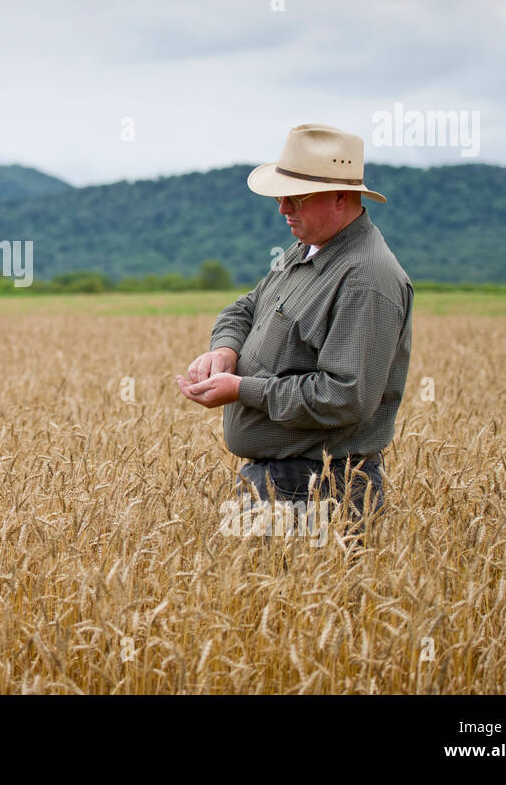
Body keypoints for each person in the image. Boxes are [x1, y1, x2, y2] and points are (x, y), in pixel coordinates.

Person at [175, 123, 413, 545]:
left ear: (341, 197)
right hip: (278, 480)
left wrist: (243, 389)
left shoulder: (366, 280)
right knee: (252, 606)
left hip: (321, 489)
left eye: (296, 197)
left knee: (300, 608)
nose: (282, 207)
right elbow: (246, 307)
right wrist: (226, 350)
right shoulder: (307, 250)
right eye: (280, 195)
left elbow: (345, 396)